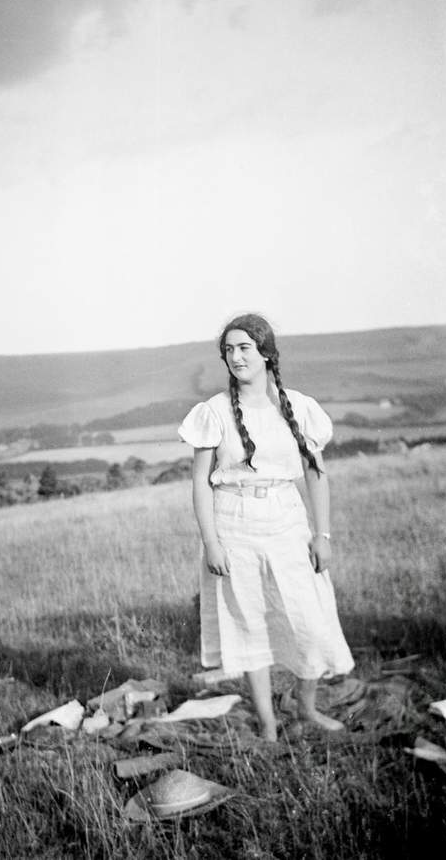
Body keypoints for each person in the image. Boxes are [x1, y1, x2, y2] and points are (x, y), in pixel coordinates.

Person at [178, 313, 355, 741]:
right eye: (229, 350)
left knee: (310, 619)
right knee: (249, 623)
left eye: (244, 348)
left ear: (266, 352)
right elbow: (201, 485)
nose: (236, 357)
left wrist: (323, 534)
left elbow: (316, 474)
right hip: (233, 523)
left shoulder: (298, 407)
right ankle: (268, 722)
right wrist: (211, 542)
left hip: (288, 520)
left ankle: (306, 708)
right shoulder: (214, 413)